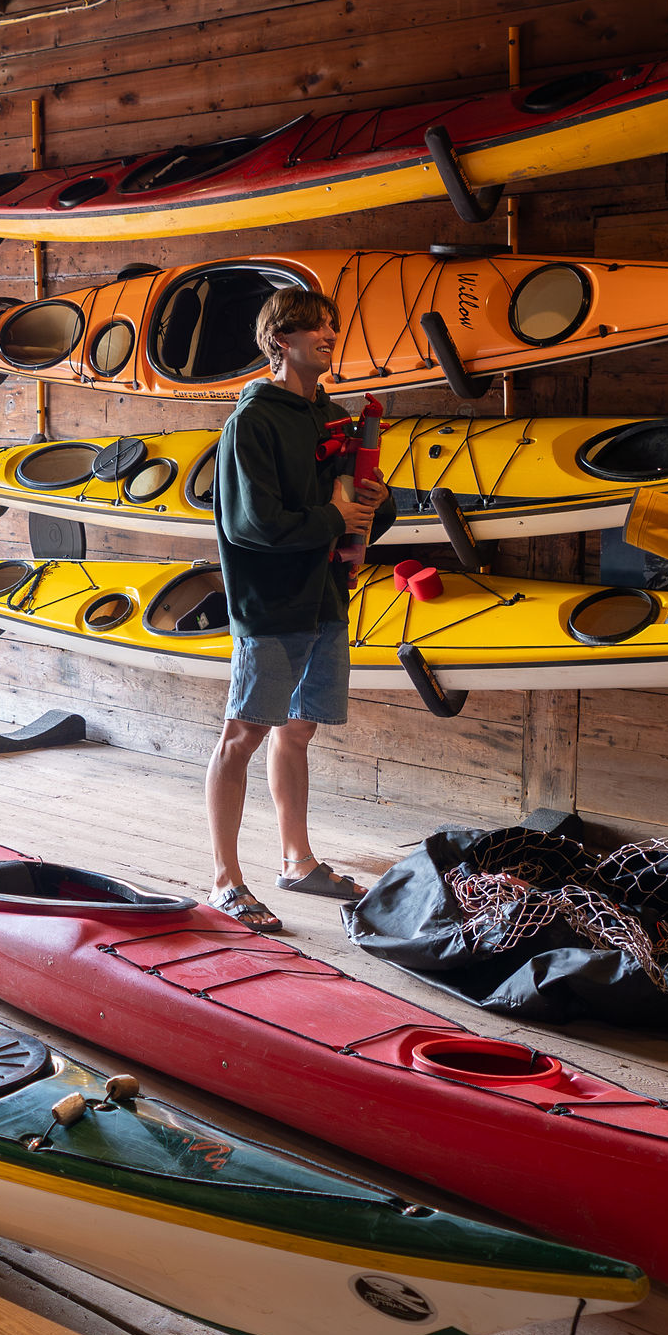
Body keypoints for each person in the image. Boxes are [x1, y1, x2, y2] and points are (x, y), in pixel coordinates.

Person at [204, 287, 380, 933]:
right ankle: (224, 880)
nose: (329, 335)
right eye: (314, 327)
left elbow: (353, 511)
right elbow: (253, 524)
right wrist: (336, 513)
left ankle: (297, 860)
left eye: (332, 325)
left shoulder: (327, 416)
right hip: (271, 603)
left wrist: (371, 504)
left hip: (324, 596)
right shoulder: (252, 422)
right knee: (242, 734)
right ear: (281, 341)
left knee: (298, 728)